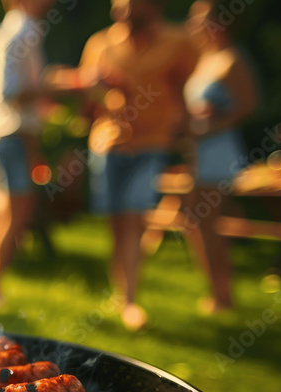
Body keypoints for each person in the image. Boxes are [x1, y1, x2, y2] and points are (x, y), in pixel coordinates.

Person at [78, 0, 199, 329]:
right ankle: (122, 292)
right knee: (116, 222)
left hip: (152, 144)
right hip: (107, 142)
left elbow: (184, 92)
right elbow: (88, 98)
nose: (120, 10)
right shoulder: (100, 43)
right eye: (118, 4)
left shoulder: (179, 43)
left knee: (133, 218)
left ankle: (130, 300)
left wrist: (188, 136)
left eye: (129, 4)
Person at [0, 0, 56, 304]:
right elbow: (10, 91)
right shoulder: (19, 33)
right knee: (12, 213)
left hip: (9, 136)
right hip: (11, 136)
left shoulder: (12, 33)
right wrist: (57, 86)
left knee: (11, 211)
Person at [183, 0, 257, 312]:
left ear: (220, 23)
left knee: (206, 221)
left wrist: (209, 128)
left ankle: (223, 296)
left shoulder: (232, 59)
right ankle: (216, 291)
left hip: (219, 152)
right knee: (194, 222)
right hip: (197, 152)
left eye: (199, 20)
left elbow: (247, 106)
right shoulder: (204, 60)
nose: (193, 26)